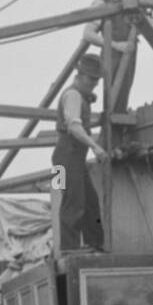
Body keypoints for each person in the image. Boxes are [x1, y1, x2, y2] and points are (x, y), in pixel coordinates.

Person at [52, 55, 107, 252]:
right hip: (66, 154)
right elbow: (74, 127)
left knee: (90, 202)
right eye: (91, 80)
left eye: (96, 81)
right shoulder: (73, 95)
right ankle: (70, 251)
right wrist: (95, 146)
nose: (94, 85)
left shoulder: (81, 96)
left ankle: (95, 245)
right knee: (72, 204)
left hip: (74, 157)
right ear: (80, 76)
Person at [82, 0, 136, 113]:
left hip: (128, 52)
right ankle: (113, 132)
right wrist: (115, 45)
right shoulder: (100, 2)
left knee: (124, 94)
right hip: (113, 55)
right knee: (114, 97)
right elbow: (88, 34)